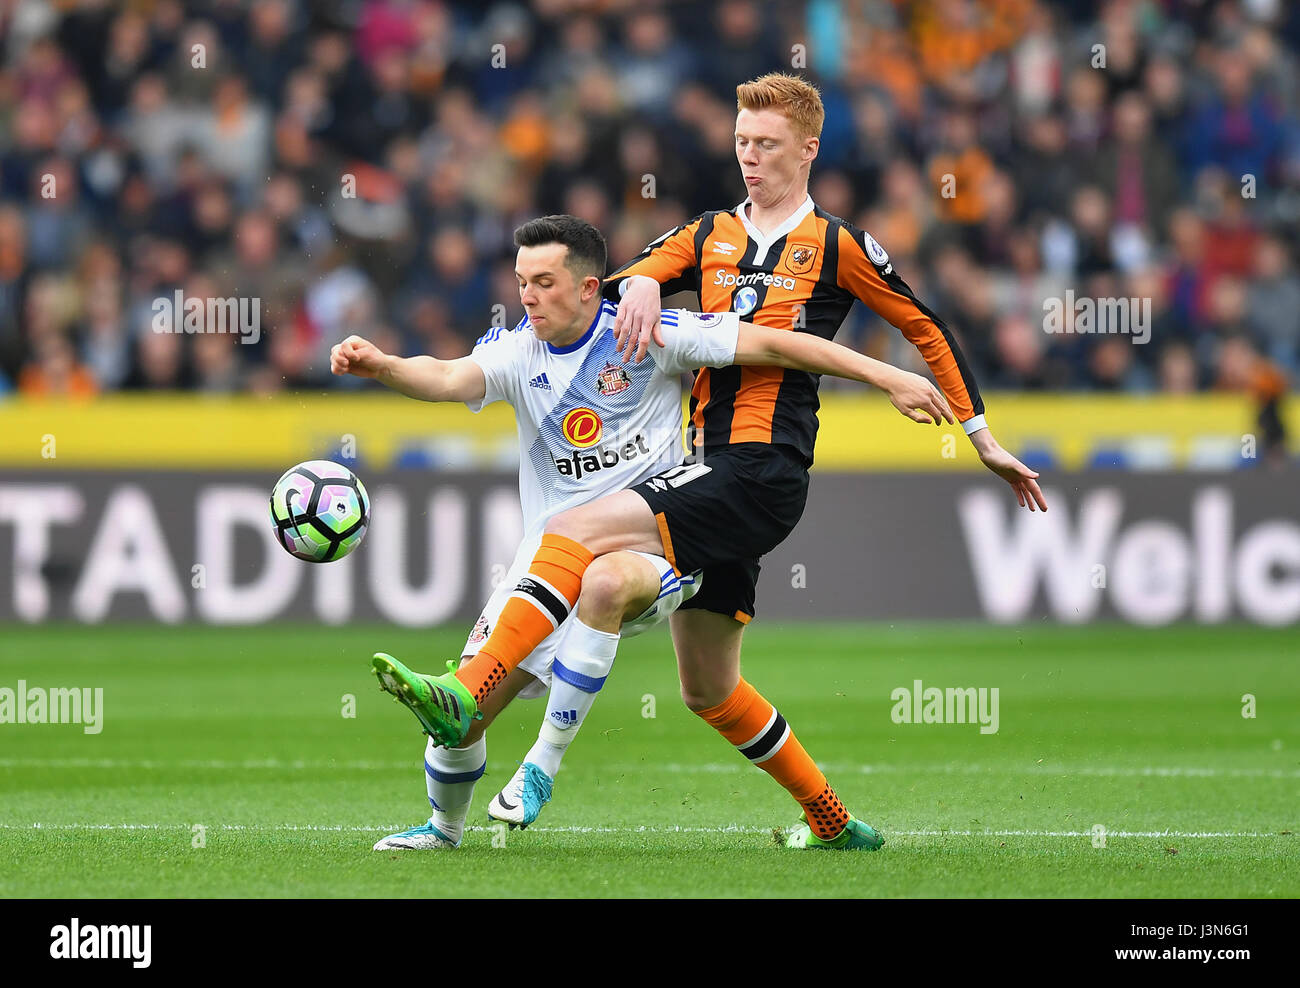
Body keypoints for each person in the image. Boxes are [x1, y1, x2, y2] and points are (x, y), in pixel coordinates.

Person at [380, 75, 1049, 852]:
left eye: (766, 145)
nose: (750, 158)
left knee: (581, 527)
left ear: (808, 148)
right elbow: (610, 280)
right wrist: (635, 290)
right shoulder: (707, 235)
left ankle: (481, 708)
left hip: (761, 467)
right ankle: (834, 823)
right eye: (741, 143)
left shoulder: (839, 245)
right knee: (708, 688)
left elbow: (923, 326)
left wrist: (980, 433)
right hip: (706, 471)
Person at [333, 213, 953, 849]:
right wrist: (382, 365)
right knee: (471, 726)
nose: (527, 296)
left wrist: (887, 375)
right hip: (545, 566)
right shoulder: (518, 350)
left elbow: (776, 344)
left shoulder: (648, 332)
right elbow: (445, 376)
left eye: (544, 282)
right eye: (521, 281)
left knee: (602, 584)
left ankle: (538, 764)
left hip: (653, 541)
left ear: (589, 287)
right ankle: (443, 829)